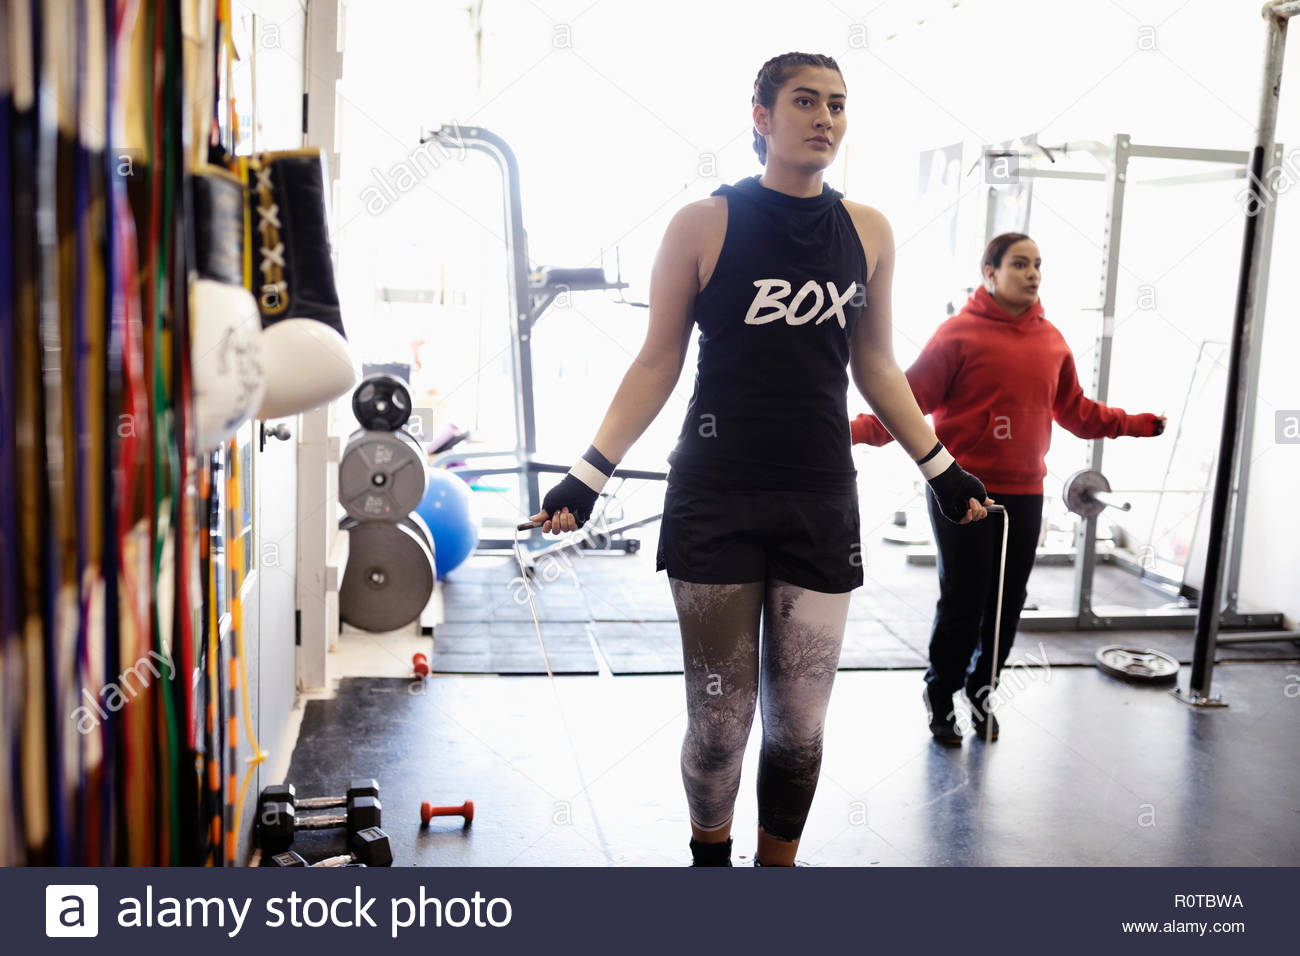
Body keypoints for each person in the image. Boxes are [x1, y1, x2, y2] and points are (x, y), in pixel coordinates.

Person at [529, 52, 990, 867]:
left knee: (801, 727)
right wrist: (589, 473)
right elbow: (655, 361)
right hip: (716, 496)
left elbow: (876, 366)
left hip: (820, 497)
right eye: (805, 101)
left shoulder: (869, 230)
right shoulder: (704, 224)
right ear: (760, 116)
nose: (825, 118)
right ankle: (711, 861)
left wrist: (942, 469)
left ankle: (775, 878)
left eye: (838, 105)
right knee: (719, 724)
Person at [849, 233, 1166, 747]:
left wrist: (1138, 424)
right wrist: (849, 432)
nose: (1032, 272)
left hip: (1025, 495)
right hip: (962, 493)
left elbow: (1079, 414)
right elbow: (903, 403)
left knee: (1007, 601)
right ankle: (941, 697)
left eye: (1038, 264)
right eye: (1020, 263)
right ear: (990, 272)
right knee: (963, 599)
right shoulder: (957, 336)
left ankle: (982, 692)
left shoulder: (1053, 342)